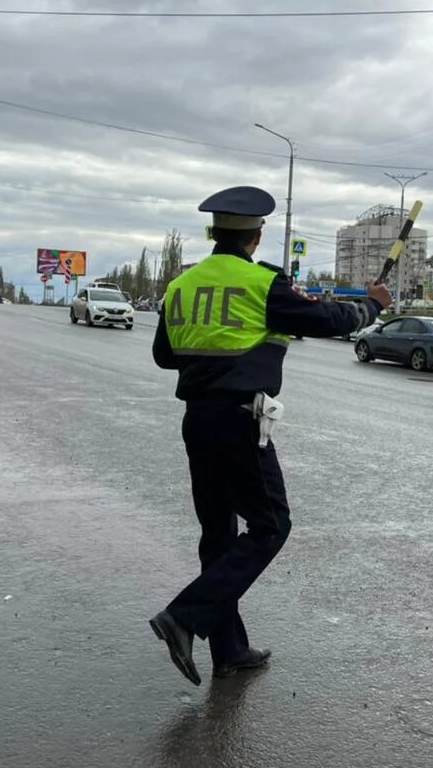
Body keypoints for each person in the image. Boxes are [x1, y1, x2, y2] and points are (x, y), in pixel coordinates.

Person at [149, 186, 393, 685]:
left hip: (197, 421)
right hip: (241, 420)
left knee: (218, 536)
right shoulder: (264, 285)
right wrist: (372, 305)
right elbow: (327, 320)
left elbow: (165, 355)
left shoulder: (182, 285)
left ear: (213, 233)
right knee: (270, 526)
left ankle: (230, 651)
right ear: (257, 237)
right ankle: (183, 616)